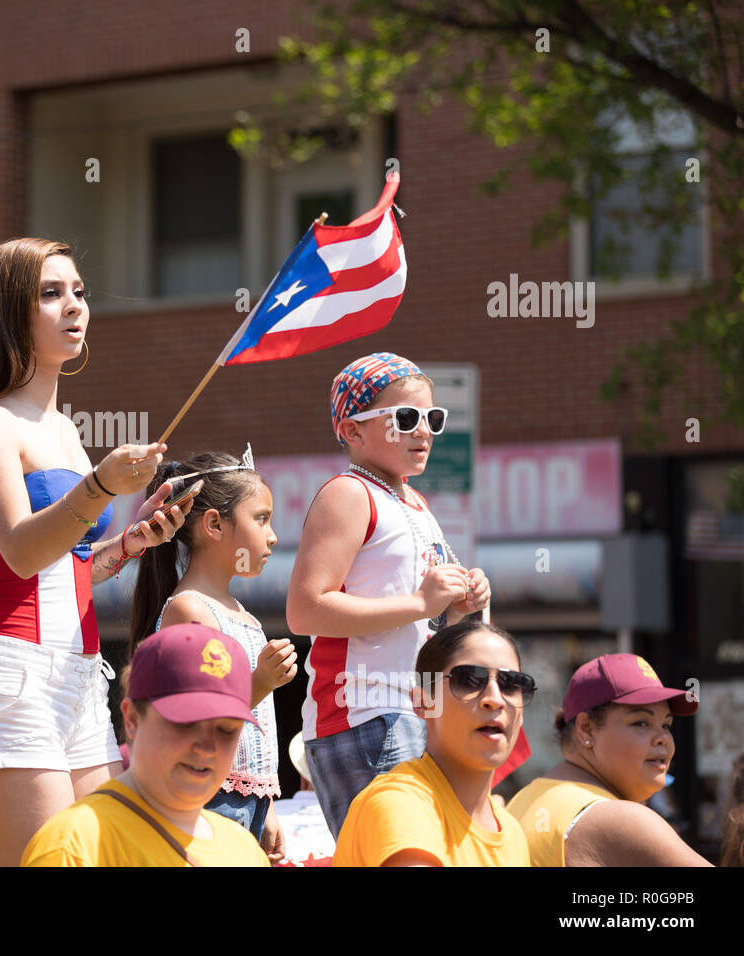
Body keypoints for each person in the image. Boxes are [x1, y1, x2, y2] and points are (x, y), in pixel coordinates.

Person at [0, 237, 191, 865]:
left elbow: (62, 569)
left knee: (104, 858)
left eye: (78, 291)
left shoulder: (66, 428)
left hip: (78, 676)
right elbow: (18, 552)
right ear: (7, 310)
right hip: (11, 674)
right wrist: (101, 486)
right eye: (51, 293)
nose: (74, 306)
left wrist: (129, 542)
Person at [286, 352, 491, 836]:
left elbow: (425, 622)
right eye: (405, 417)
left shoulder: (415, 502)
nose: (424, 431)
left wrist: (462, 604)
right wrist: (422, 603)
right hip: (363, 713)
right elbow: (305, 609)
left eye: (433, 418)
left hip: (412, 710)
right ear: (353, 431)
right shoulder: (349, 493)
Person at [130, 448, 297, 860]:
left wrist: (266, 801)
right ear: (214, 525)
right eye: (261, 519)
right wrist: (261, 682)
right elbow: (198, 718)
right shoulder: (190, 610)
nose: (273, 536)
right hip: (208, 794)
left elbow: (256, 732)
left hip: (246, 796)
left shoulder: (246, 617)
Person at [22, 623, 270, 866]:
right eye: (185, 723)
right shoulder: (74, 846)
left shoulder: (244, 848)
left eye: (226, 730)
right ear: (132, 719)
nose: (207, 747)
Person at [333, 620, 532, 867]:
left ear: (521, 714)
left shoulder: (513, 833)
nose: (494, 699)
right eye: (469, 679)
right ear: (424, 702)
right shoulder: (398, 802)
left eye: (511, 683)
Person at [507, 653, 710, 866]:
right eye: (641, 723)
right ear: (586, 729)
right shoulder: (621, 819)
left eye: (666, 725)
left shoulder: (520, 801)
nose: (664, 739)